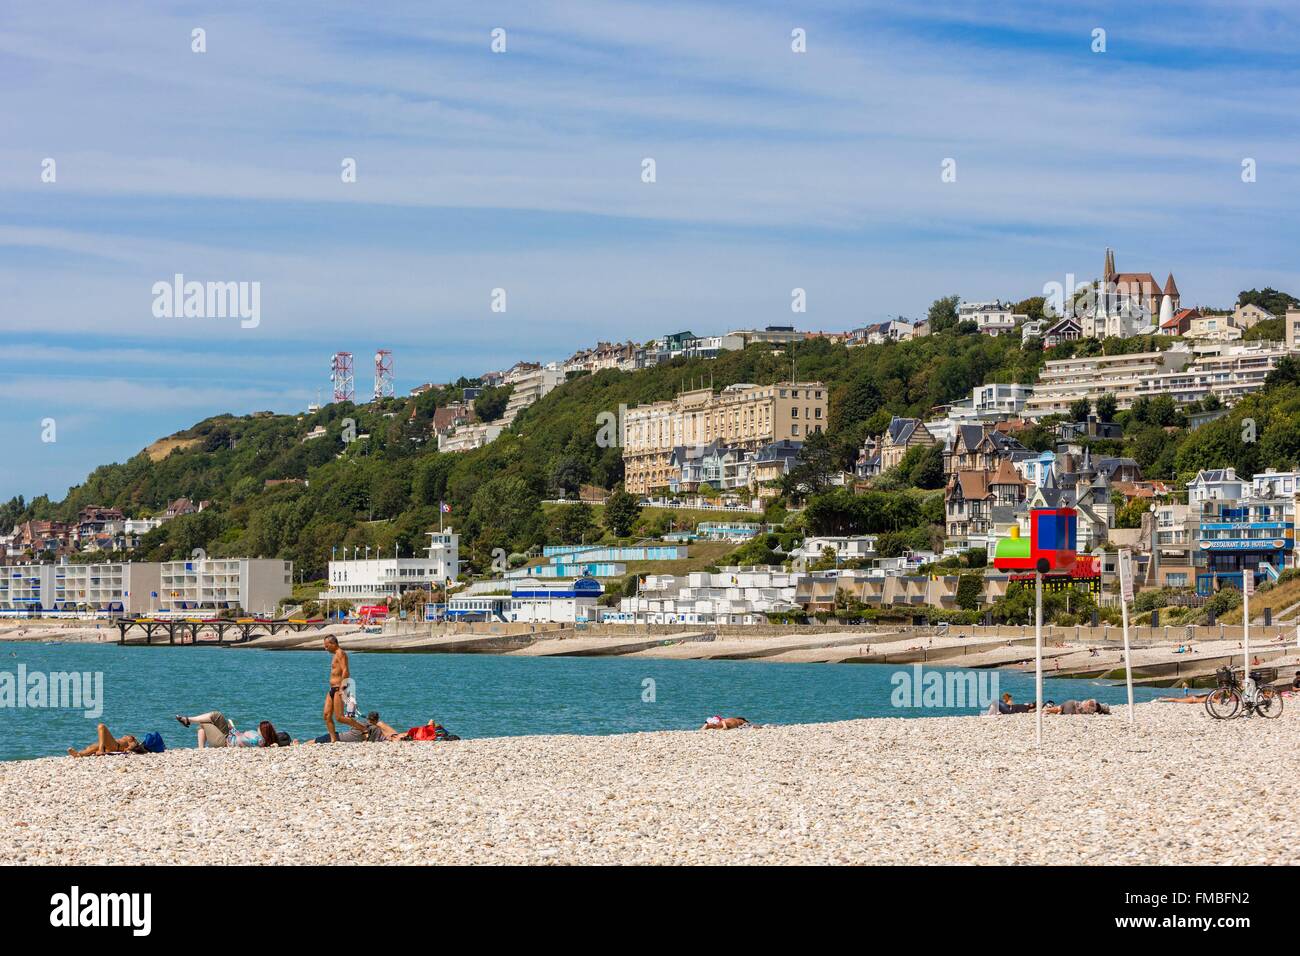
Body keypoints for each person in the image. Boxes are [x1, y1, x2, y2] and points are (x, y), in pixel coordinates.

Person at [322, 635, 367, 742]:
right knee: (326, 715)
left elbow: (345, 671)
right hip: (332, 689)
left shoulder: (340, 653)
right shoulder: (335, 655)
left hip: (339, 688)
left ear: (333, 644)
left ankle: (363, 728)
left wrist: (343, 688)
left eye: (327, 646)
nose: (325, 648)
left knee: (339, 717)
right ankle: (333, 740)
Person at [176, 712, 280, 748]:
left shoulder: (258, 739)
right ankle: (187, 720)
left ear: (263, 730)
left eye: (259, 727)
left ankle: (201, 749)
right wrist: (233, 730)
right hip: (229, 736)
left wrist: (234, 731)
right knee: (216, 715)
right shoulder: (260, 738)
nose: (257, 727)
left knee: (204, 723)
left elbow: (243, 741)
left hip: (225, 742)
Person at [68, 723, 146, 757]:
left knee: (101, 727)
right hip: (109, 746)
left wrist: (129, 748)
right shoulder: (130, 739)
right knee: (90, 748)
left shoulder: (133, 741)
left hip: (115, 746)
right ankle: (78, 755)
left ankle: (101, 750)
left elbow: (132, 746)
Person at [1043, 699, 1110, 715]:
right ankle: (1046, 710)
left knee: (1058, 708)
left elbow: (1085, 703)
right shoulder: (1093, 710)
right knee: (1058, 709)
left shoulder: (1093, 701)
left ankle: (1046, 710)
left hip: (1073, 704)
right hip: (1074, 710)